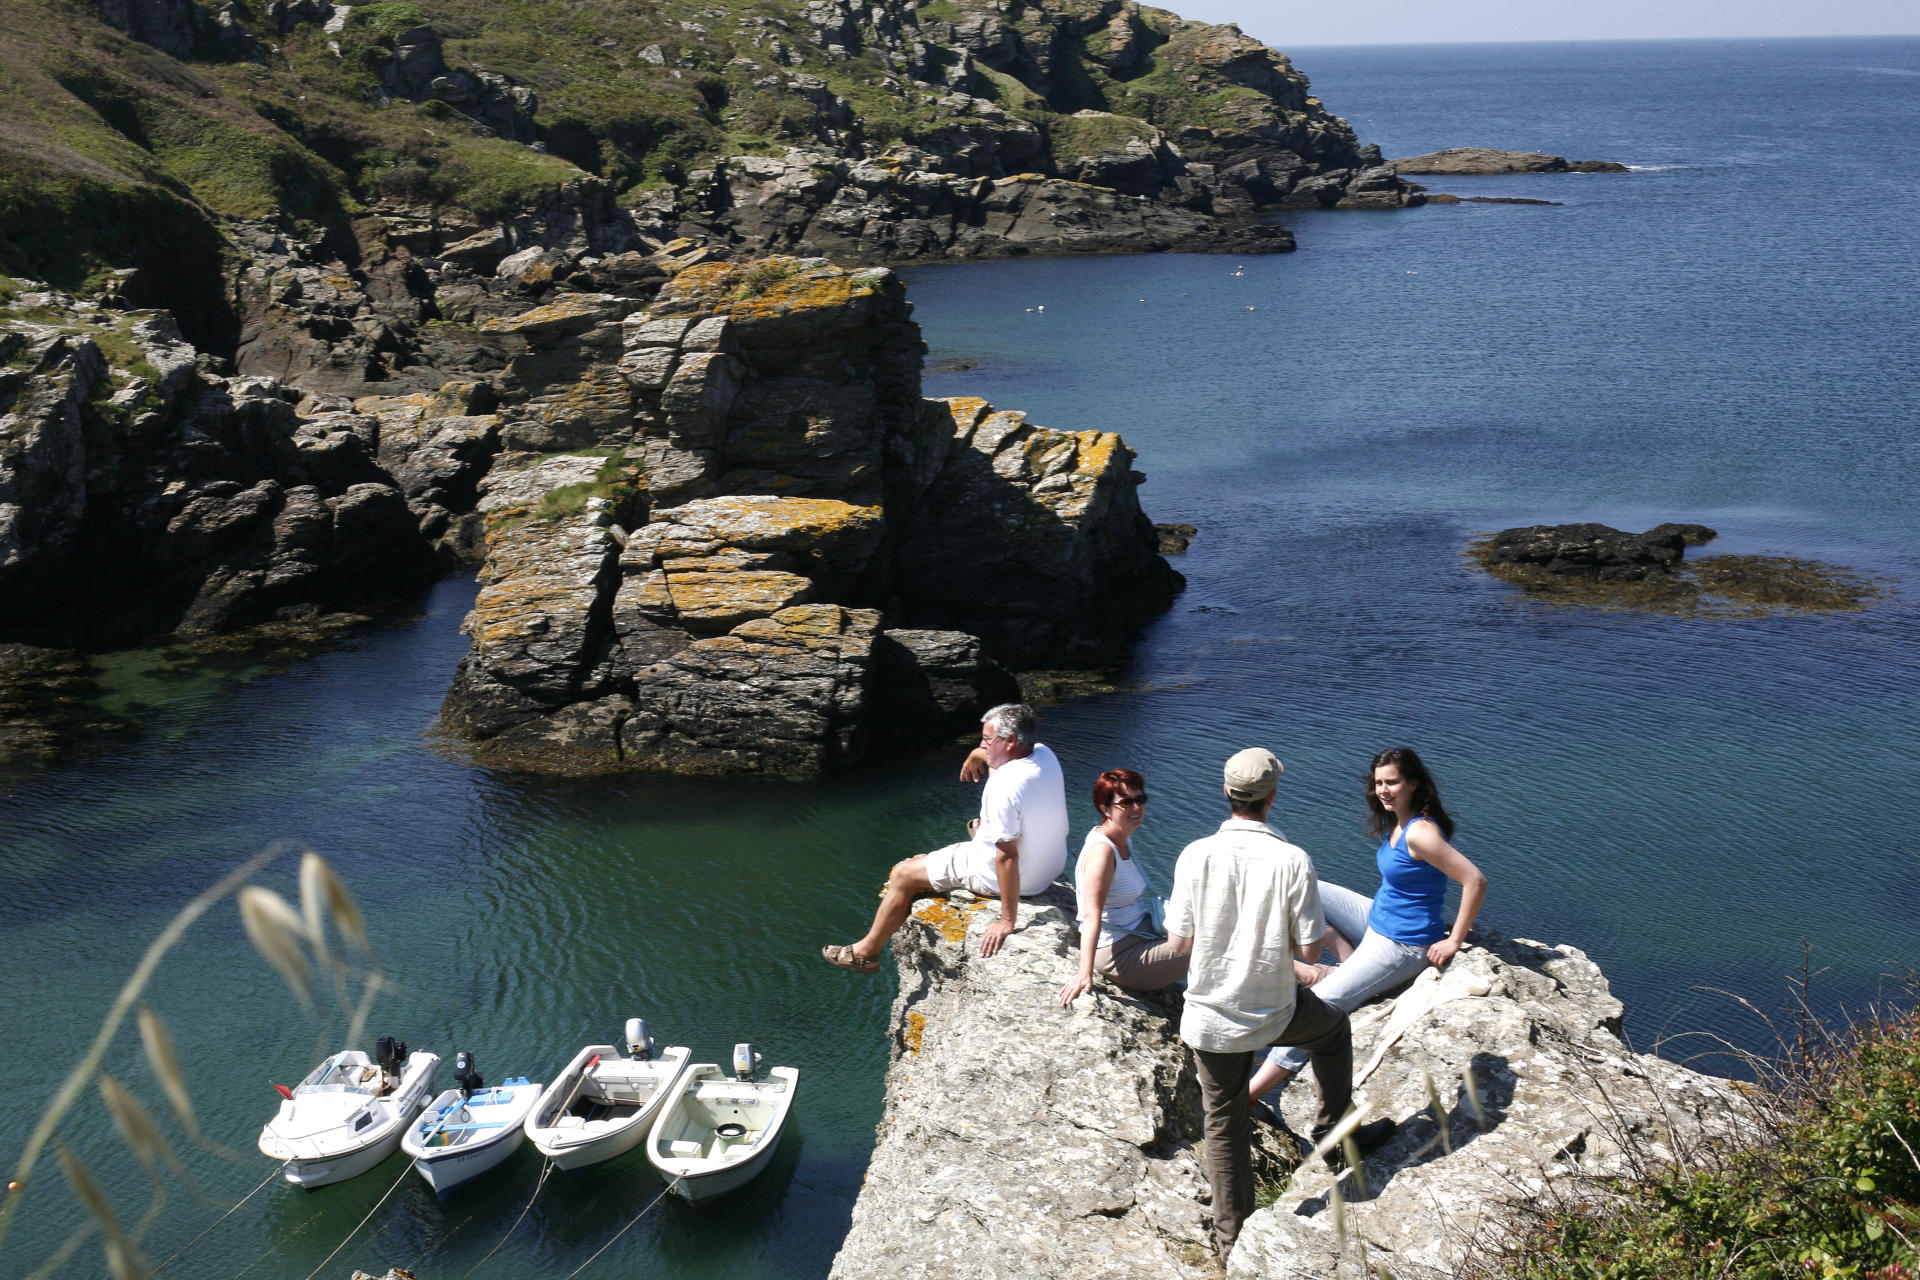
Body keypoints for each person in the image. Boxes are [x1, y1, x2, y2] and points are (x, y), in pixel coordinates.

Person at [1164, 747, 1396, 1264]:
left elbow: (1178, 944)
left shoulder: (1193, 854)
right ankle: (1334, 1133)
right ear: (1272, 798)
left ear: (1226, 793)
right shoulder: (1293, 860)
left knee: (1223, 1125)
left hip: (1211, 1019)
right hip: (1275, 1012)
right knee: (1333, 1031)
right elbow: (1310, 952)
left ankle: (1233, 1246)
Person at [1246, 746, 1489, 1112]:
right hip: (1376, 920)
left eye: (1392, 782)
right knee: (1300, 880)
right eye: (1379, 783)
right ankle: (1343, 960)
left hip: (1402, 944)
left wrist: (1453, 939)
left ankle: (1250, 1092)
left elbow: (1475, 881)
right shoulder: (1398, 821)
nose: (1384, 790)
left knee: (1321, 1005)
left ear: (1414, 784)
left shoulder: (1420, 833)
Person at [821, 703, 1069, 973]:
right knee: (989, 810)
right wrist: (978, 754)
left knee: (904, 874)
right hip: (1050, 869)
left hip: (1017, 877)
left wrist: (1007, 920)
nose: (981, 744)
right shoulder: (1044, 754)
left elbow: (1007, 857)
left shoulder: (1003, 788)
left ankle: (865, 953)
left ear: (1009, 741)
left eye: (986, 740)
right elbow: (1004, 766)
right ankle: (985, 831)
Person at [1058, 769, 1188, 1005]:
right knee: (1213, 944)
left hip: (1138, 931)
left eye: (1141, 800)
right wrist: (1084, 973)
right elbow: (1090, 915)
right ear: (1105, 808)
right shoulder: (1103, 852)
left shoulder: (1122, 838)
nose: (1136, 808)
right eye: (1126, 802)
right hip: (1119, 955)